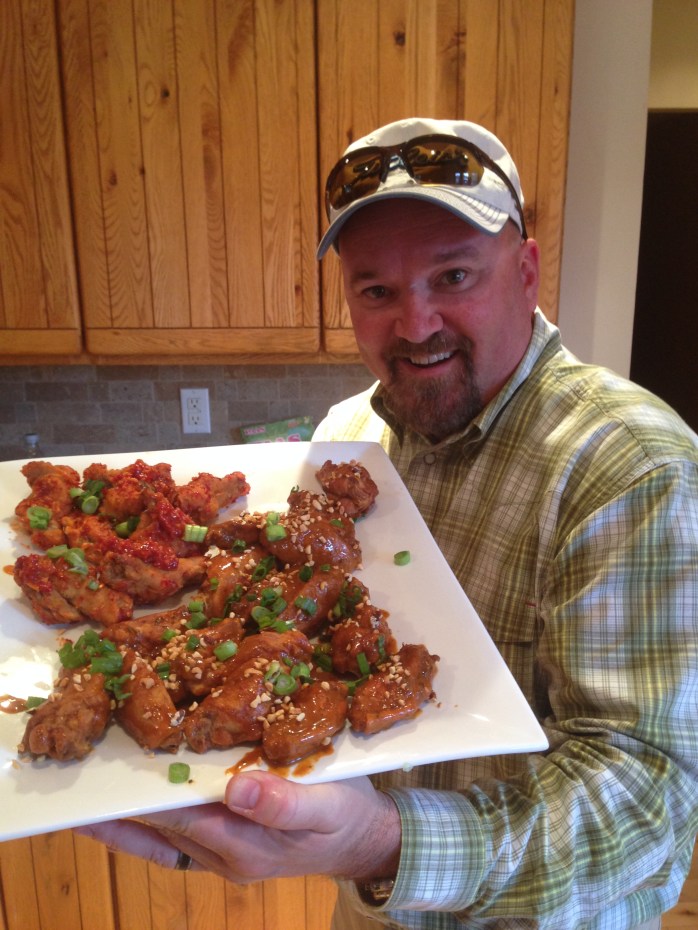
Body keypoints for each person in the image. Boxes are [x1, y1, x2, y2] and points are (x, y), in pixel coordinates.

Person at [76, 117, 698, 930]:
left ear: (527, 272)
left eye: (453, 275)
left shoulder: (629, 467)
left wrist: (381, 845)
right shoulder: (350, 439)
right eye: (377, 290)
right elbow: (278, 668)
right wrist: (235, 816)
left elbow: (651, 800)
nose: (415, 323)